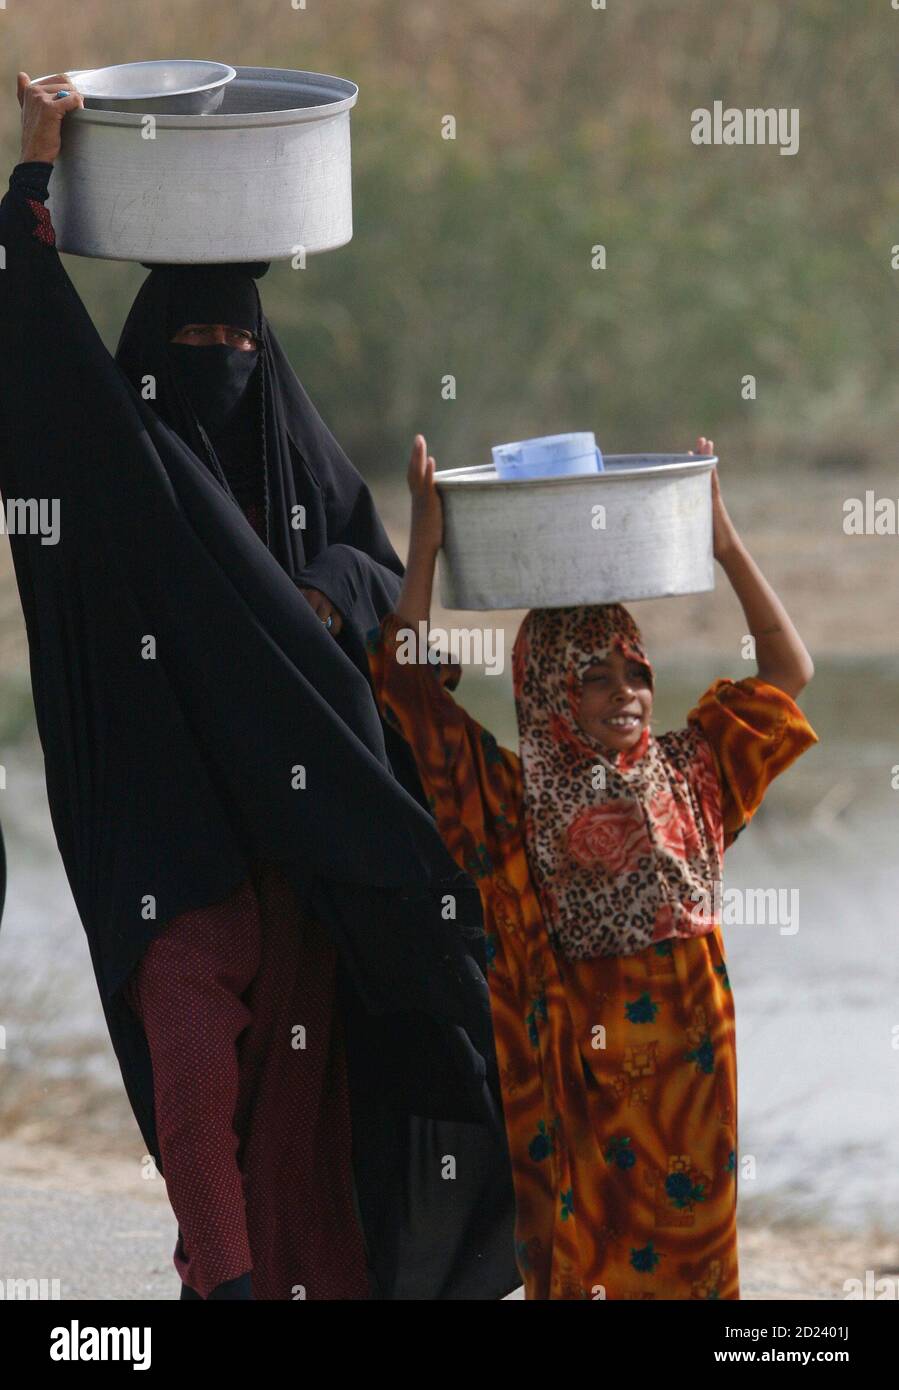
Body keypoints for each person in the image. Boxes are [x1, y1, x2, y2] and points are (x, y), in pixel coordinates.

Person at [0, 73, 518, 1300]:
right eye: (195, 345)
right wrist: (37, 160)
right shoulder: (130, 477)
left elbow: (385, 601)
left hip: (292, 865)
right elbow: (29, 339)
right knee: (193, 1088)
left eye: (239, 343)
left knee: (294, 1134)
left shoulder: (296, 486)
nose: (222, 361)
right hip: (170, 862)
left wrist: (344, 591)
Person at [366, 433, 818, 1299]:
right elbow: (407, 685)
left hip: (696, 1089)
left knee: (698, 1277)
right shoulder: (509, 802)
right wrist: (424, 543)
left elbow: (787, 668)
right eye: (594, 678)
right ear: (545, 691)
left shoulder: (691, 772)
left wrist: (719, 541)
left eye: (635, 672)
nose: (627, 694)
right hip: (581, 1091)